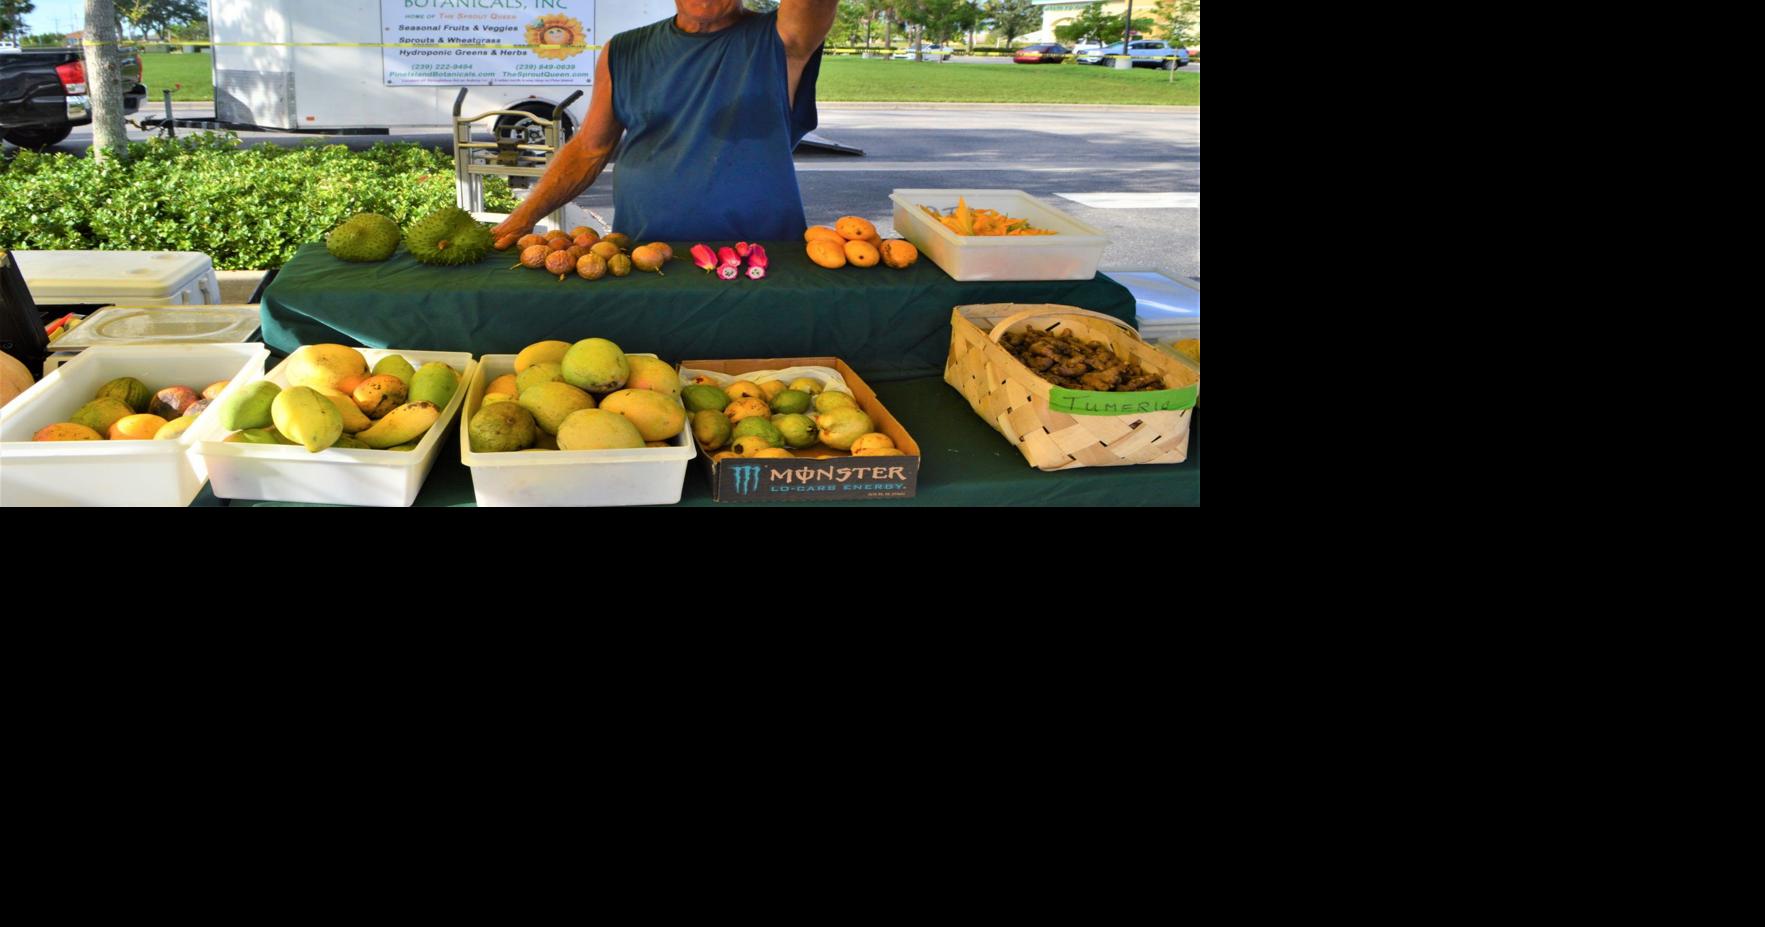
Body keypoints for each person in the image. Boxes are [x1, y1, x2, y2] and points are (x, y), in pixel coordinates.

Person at [492, 1, 838, 246]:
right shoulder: (623, 51)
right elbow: (588, 149)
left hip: (762, 260)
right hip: (646, 254)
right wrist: (524, 217)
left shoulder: (782, 39)